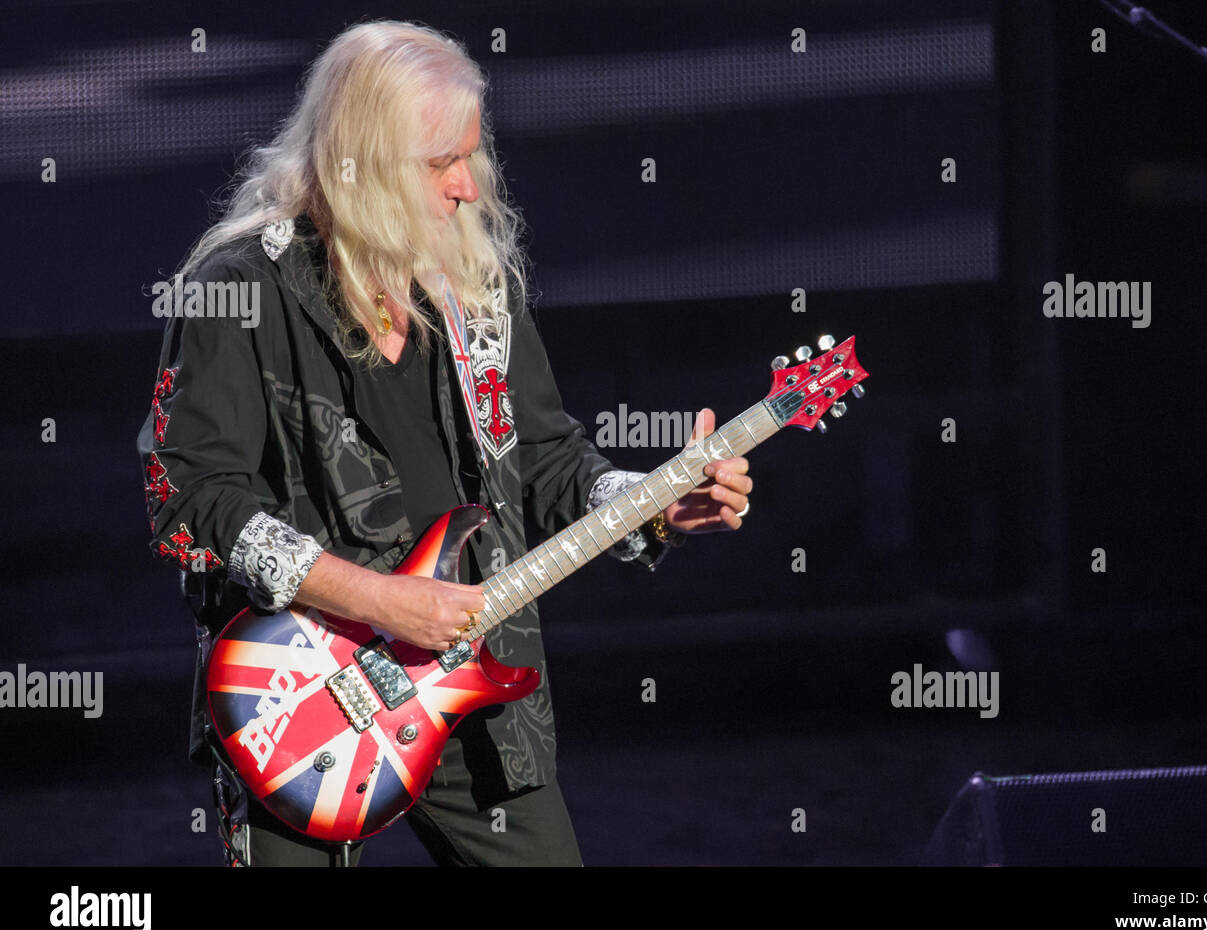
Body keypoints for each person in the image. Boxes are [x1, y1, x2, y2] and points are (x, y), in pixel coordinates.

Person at [137, 20, 752, 866]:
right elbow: (189, 497)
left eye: (471, 156)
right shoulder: (240, 288)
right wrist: (379, 601)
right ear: (365, 160)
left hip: (478, 685)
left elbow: (541, 460)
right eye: (439, 163)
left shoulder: (472, 284)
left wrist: (648, 503)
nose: (467, 186)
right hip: (301, 697)